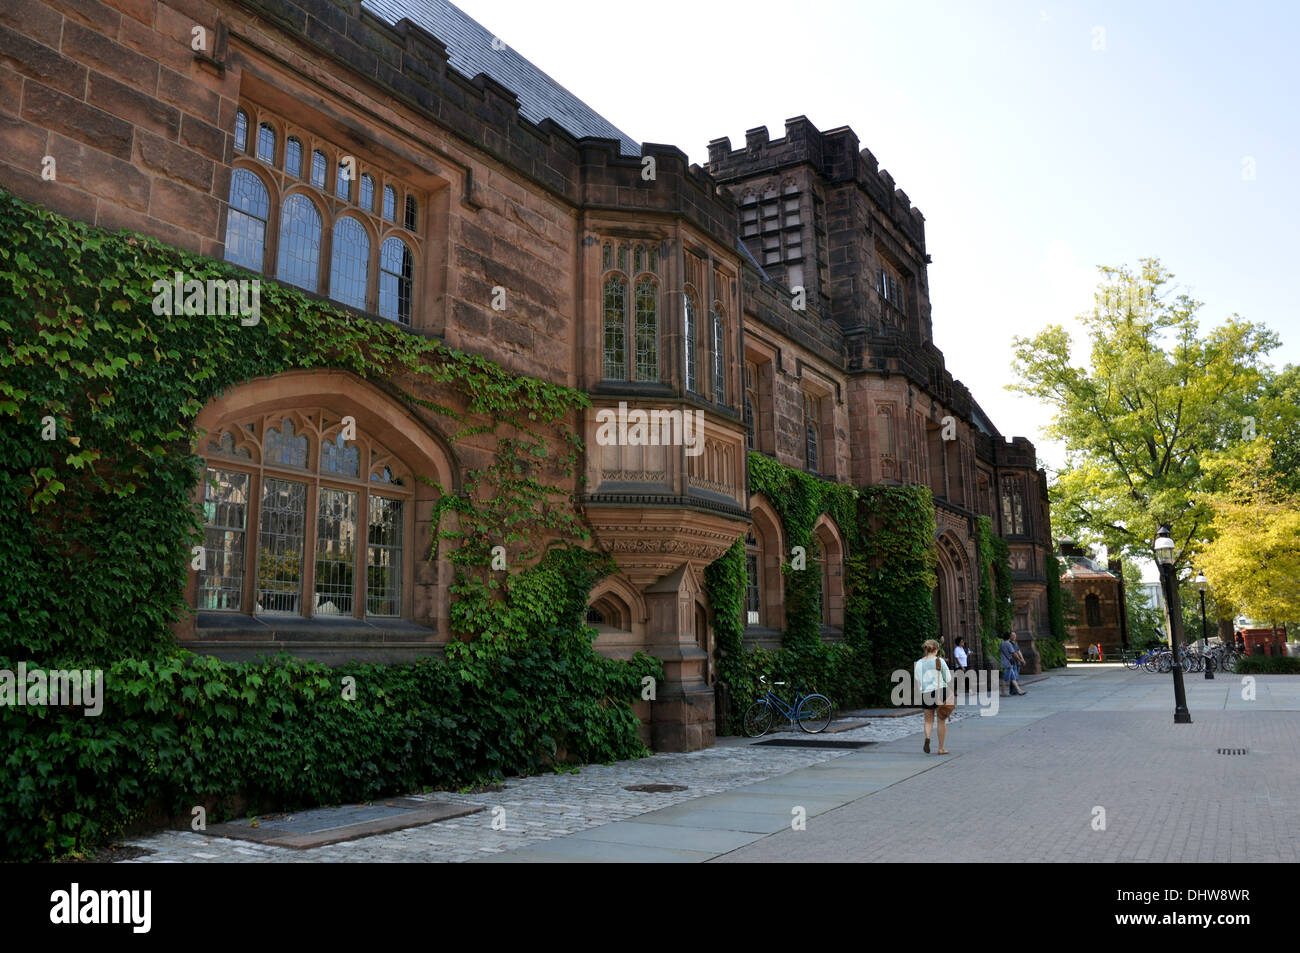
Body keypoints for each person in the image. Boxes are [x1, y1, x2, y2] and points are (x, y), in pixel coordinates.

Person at [913, 639, 953, 755]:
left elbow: (918, 680)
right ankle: (941, 748)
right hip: (940, 691)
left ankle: (927, 738)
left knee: (928, 720)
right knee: (941, 721)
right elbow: (948, 678)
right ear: (936, 649)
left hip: (926, 693)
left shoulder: (919, 663)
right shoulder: (939, 661)